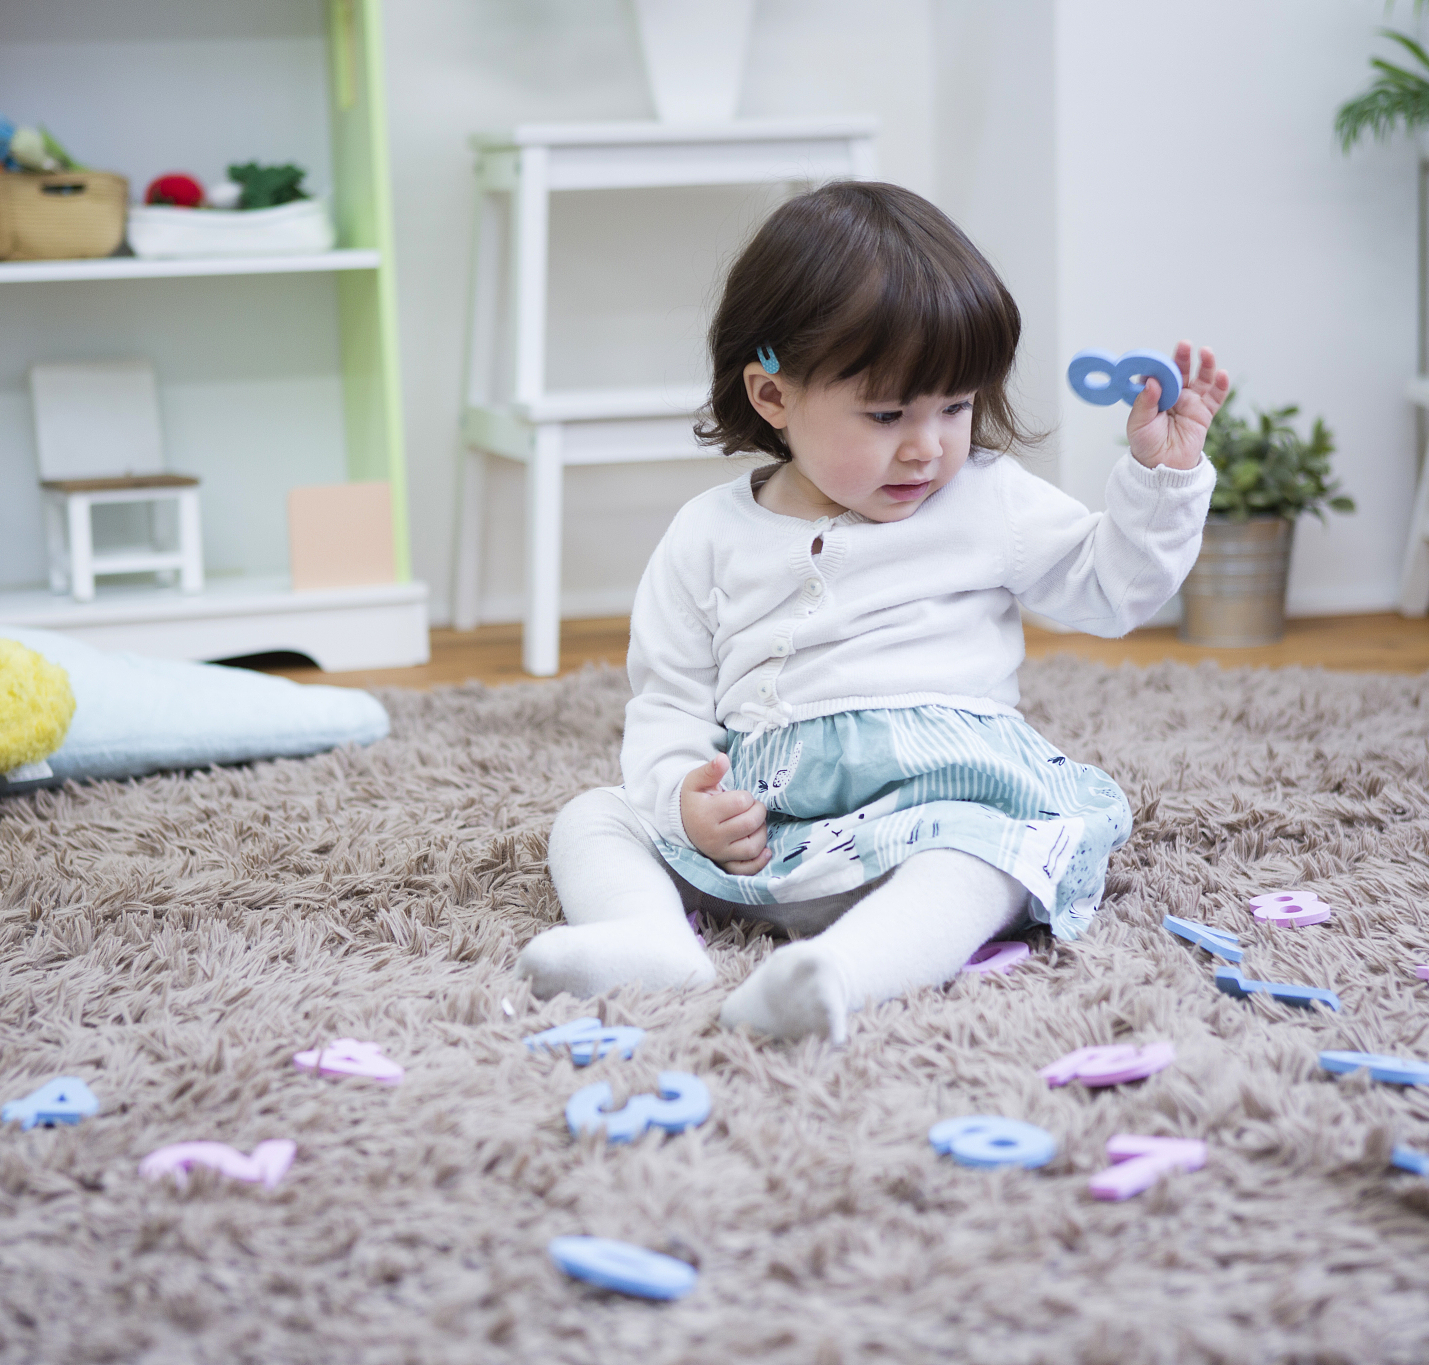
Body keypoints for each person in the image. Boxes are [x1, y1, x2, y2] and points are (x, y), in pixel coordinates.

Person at [516, 181, 1228, 1043]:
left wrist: (1162, 480)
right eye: (888, 413)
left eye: (956, 407)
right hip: (769, 827)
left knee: (993, 855)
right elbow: (667, 700)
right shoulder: (706, 534)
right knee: (594, 816)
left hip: (943, 801)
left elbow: (1115, 589)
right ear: (773, 397)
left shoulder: (988, 500)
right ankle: (648, 937)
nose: (929, 445)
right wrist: (684, 802)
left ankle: (839, 974)